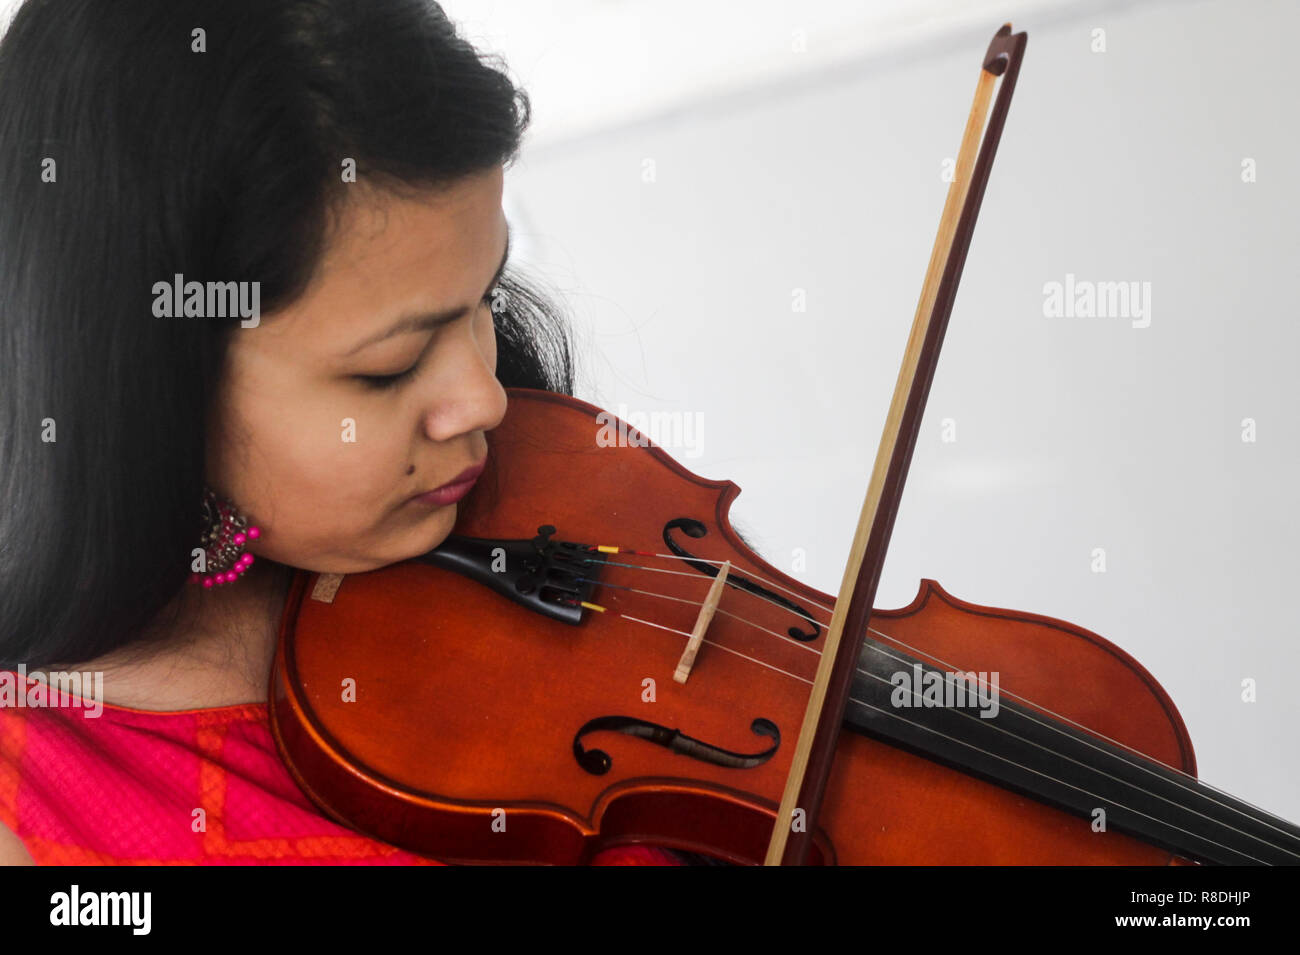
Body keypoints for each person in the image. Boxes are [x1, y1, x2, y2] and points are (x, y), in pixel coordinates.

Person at [0, 0, 712, 866]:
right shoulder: (29, 812)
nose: (487, 400)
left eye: (484, 296)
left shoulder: (546, 509)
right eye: (390, 367)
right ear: (150, 380)